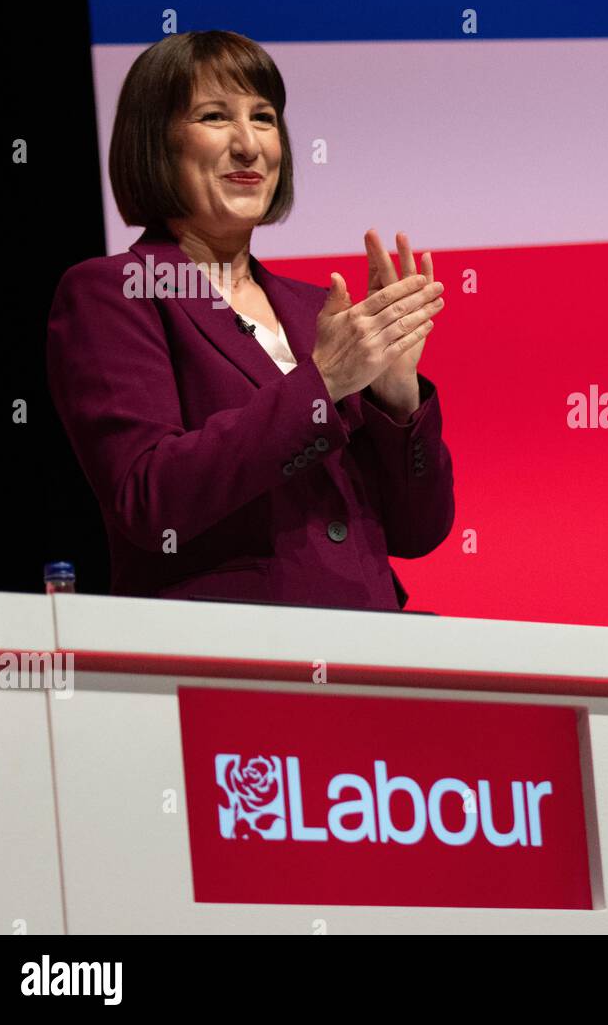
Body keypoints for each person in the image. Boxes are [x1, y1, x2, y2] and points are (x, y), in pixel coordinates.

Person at [46, 30, 454, 611]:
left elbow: (418, 532)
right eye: (215, 116)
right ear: (154, 143)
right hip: (230, 657)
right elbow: (149, 497)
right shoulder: (114, 292)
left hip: (370, 653)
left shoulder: (318, 310)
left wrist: (397, 400)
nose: (248, 145)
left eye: (263, 118)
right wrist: (323, 384)